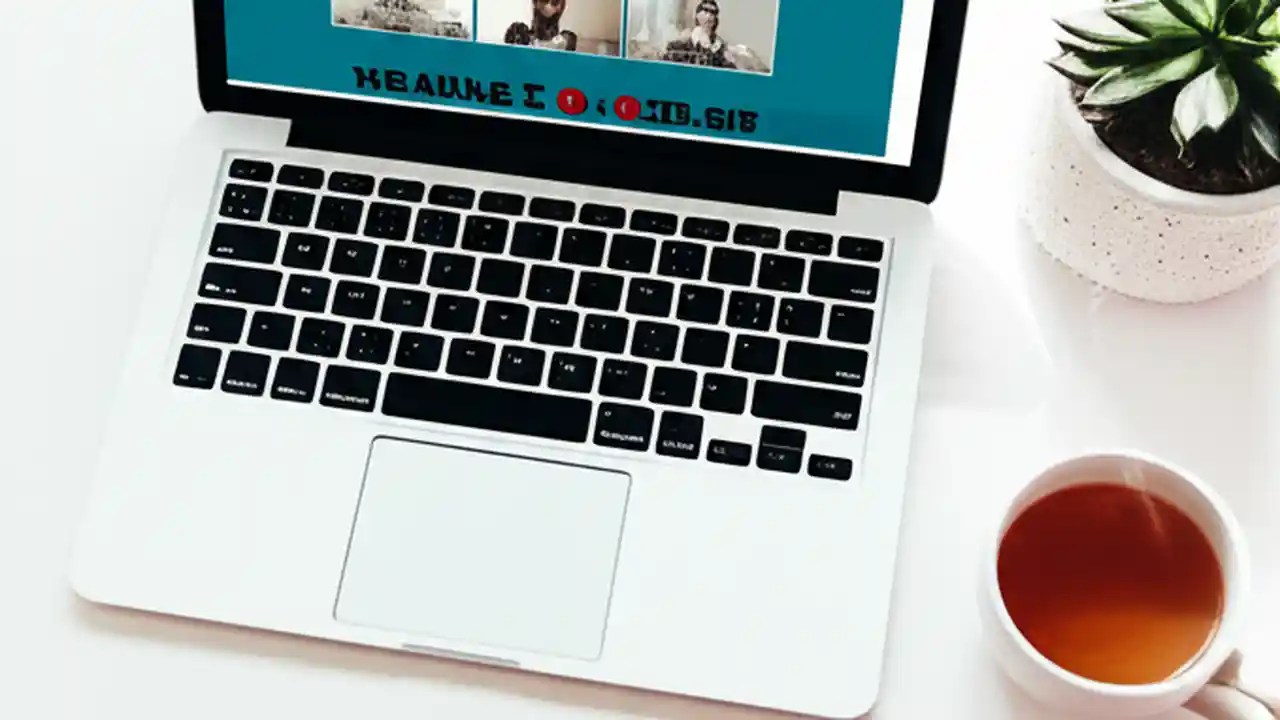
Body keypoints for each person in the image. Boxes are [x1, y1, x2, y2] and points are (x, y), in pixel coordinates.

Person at [662, 0, 736, 69]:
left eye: (713, 13)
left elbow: (729, 68)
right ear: (697, 15)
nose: (709, 16)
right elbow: (668, 59)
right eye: (706, 11)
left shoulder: (719, 45)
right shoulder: (683, 41)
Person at [505, 0, 579, 52]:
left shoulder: (566, 41)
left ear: (560, 6)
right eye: (544, 0)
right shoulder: (519, 34)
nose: (548, 6)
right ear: (536, 2)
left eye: (555, 2)